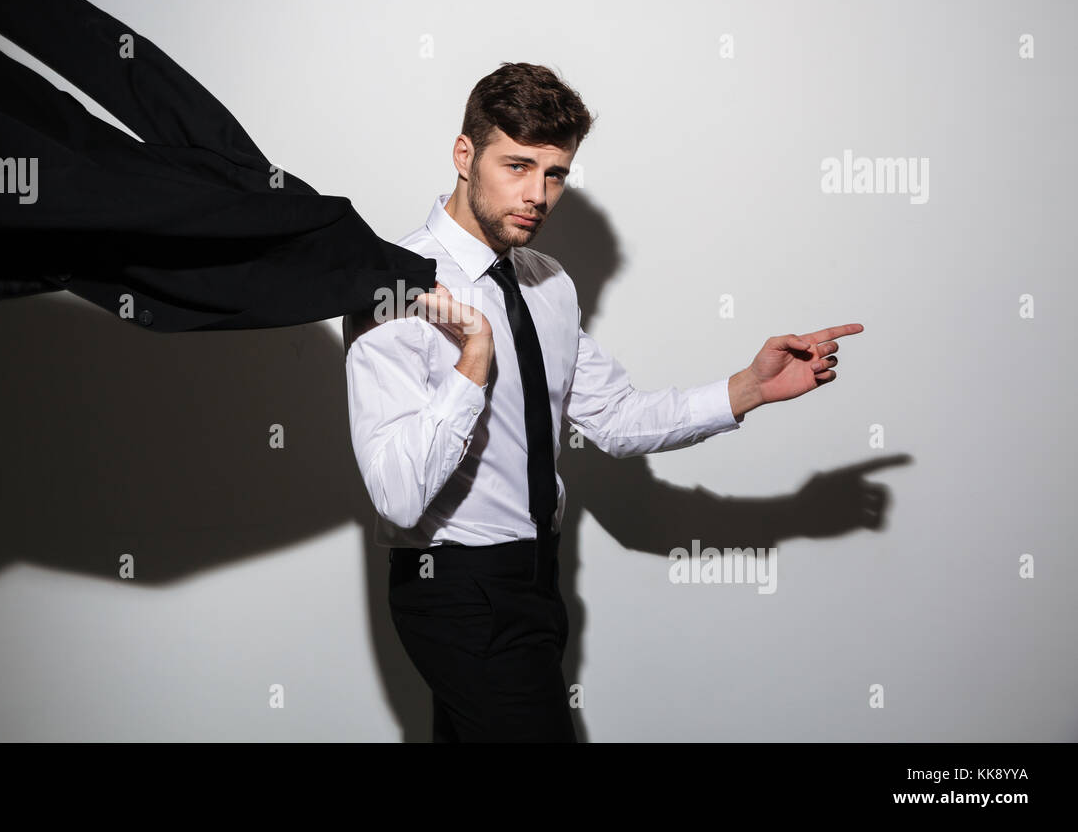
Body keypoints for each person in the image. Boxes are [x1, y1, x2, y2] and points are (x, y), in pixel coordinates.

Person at [342, 61, 863, 742]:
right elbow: (399, 495)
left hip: (543, 577)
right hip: (455, 588)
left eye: (554, 174)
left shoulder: (547, 284)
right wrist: (473, 361)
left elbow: (615, 420)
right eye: (517, 166)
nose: (537, 195)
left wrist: (747, 389)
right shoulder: (395, 286)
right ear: (464, 155)